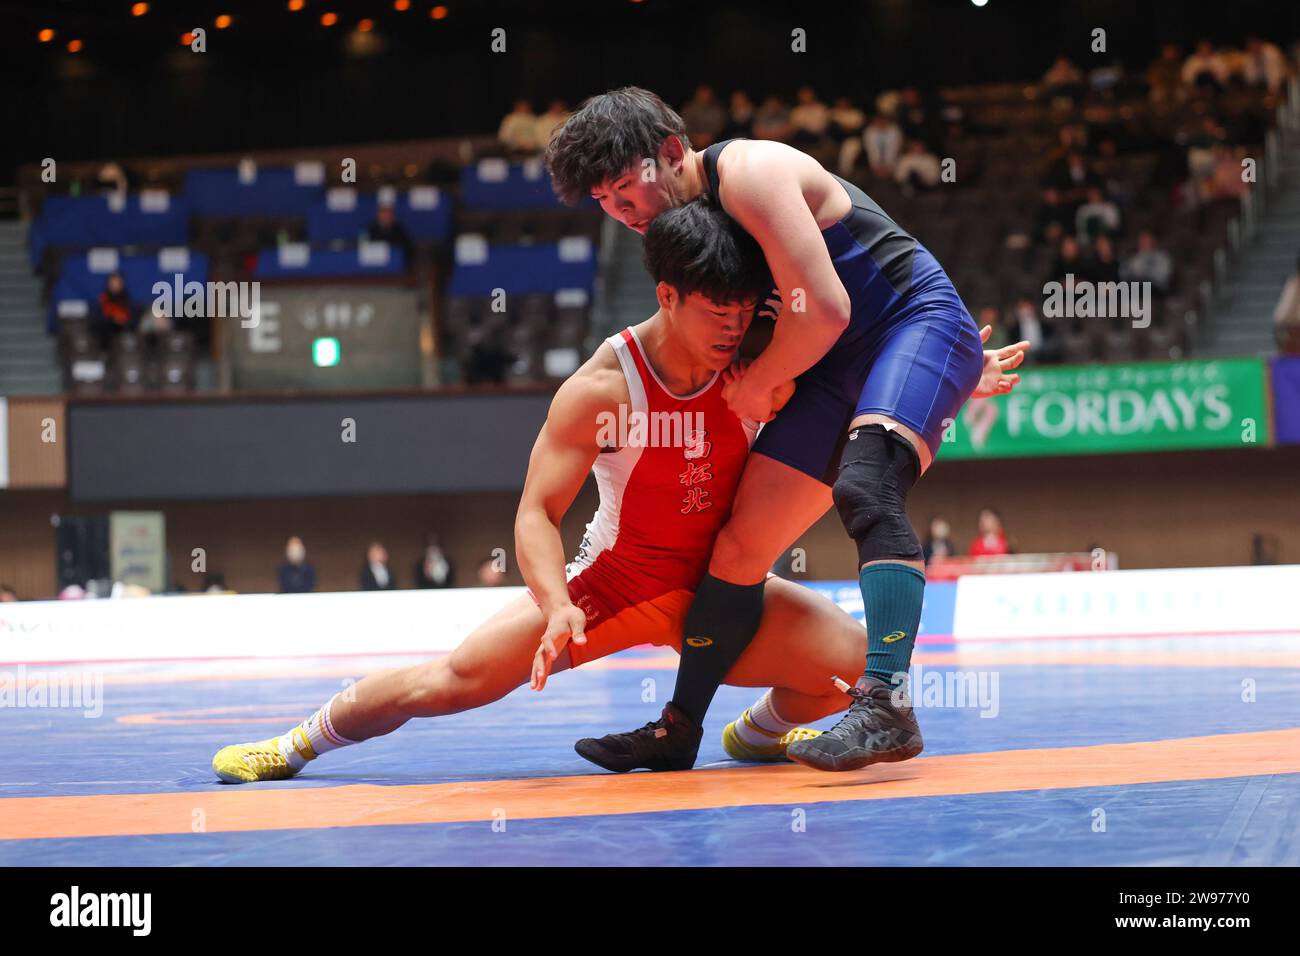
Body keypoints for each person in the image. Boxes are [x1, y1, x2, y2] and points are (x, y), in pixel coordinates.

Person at [211, 202, 877, 783]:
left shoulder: (760, 353)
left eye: (741, 312)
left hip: (722, 589)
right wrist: (557, 603)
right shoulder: (602, 390)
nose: (732, 331)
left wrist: (956, 377)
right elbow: (537, 510)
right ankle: (293, 745)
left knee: (851, 662)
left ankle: (751, 736)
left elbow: (858, 367)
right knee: (449, 683)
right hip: (613, 588)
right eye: (716, 314)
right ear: (668, 296)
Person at [545, 87, 1029, 773]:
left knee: (866, 486)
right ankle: (681, 728)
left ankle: (886, 702)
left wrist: (760, 381)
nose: (627, 216)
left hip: (908, 324)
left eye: (629, 191)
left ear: (674, 153)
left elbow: (828, 308)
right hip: (838, 360)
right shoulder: (697, 230)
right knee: (738, 546)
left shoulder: (751, 174)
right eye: (608, 205)